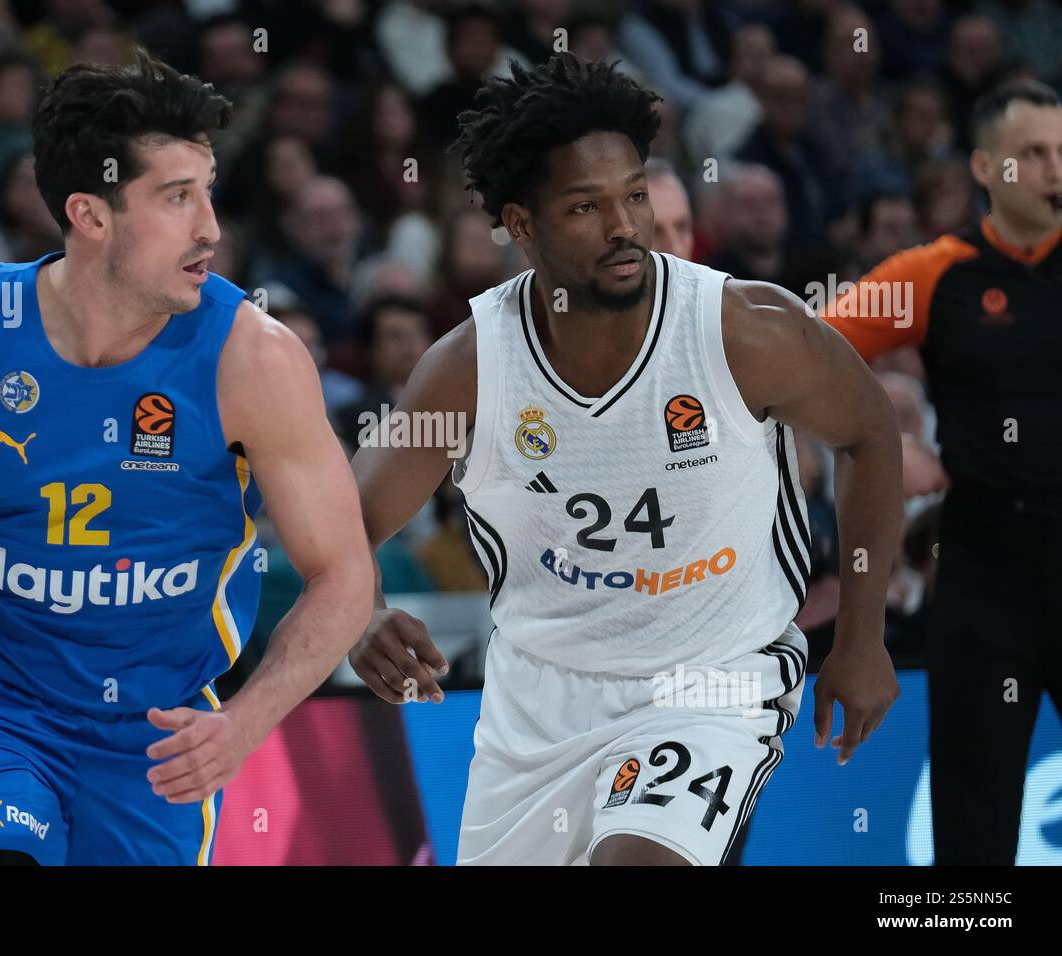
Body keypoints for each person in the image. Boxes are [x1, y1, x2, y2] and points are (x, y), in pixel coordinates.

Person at [0, 51, 373, 866]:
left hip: (155, 741)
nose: (211, 226)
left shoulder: (255, 361)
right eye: (177, 198)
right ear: (90, 214)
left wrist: (242, 725)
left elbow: (345, 574)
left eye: (208, 191)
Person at [347, 54, 901, 866]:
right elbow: (348, 520)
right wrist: (360, 613)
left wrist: (863, 634)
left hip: (714, 678)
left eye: (634, 195)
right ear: (523, 224)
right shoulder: (469, 367)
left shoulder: (743, 330)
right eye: (585, 206)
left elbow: (871, 433)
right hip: (540, 700)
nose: (623, 227)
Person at [822, 79, 1062, 865]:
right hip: (986, 573)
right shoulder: (941, 271)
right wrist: (892, 443)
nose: (1057, 168)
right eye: (1036, 153)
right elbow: (808, 355)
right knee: (973, 818)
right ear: (987, 168)